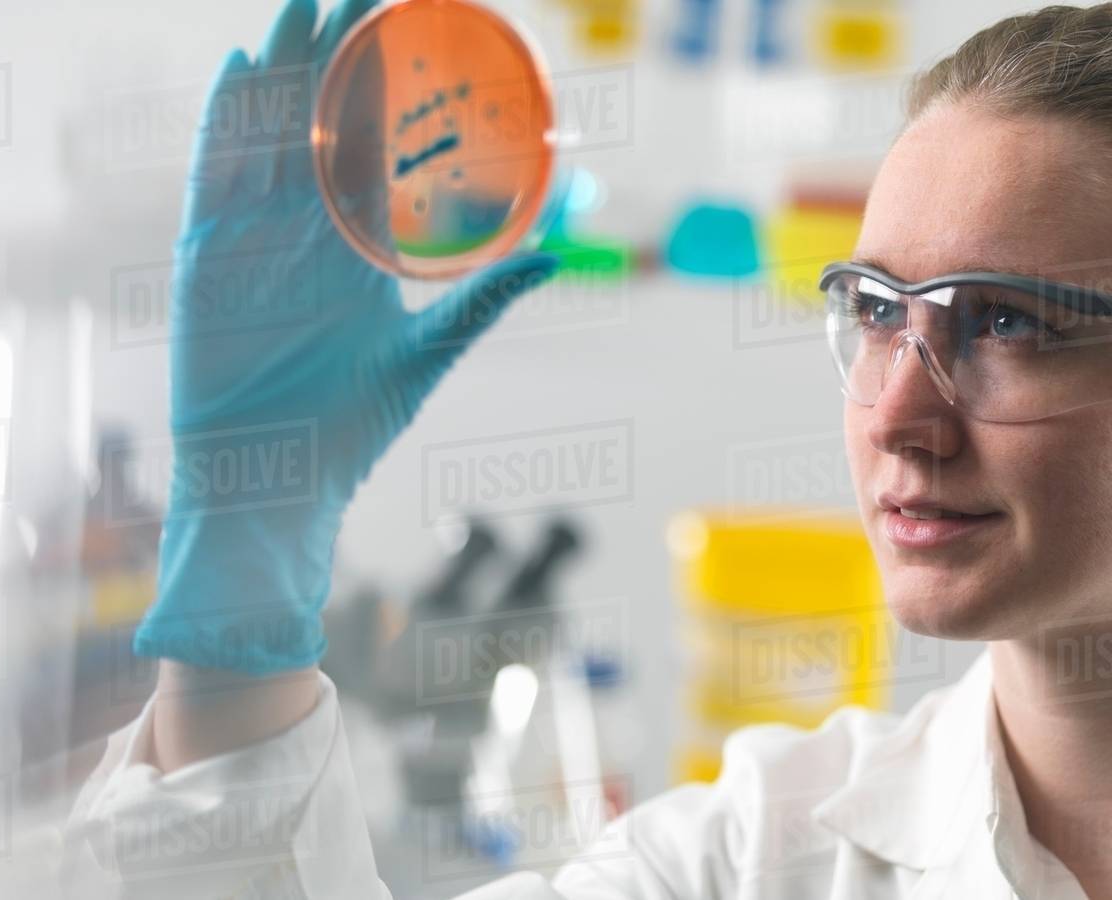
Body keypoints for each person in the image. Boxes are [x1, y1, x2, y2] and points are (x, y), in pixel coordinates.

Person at [57, 2, 1112, 897]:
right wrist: (246, 553)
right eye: (878, 312)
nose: (894, 419)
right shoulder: (752, 862)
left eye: (1007, 323)